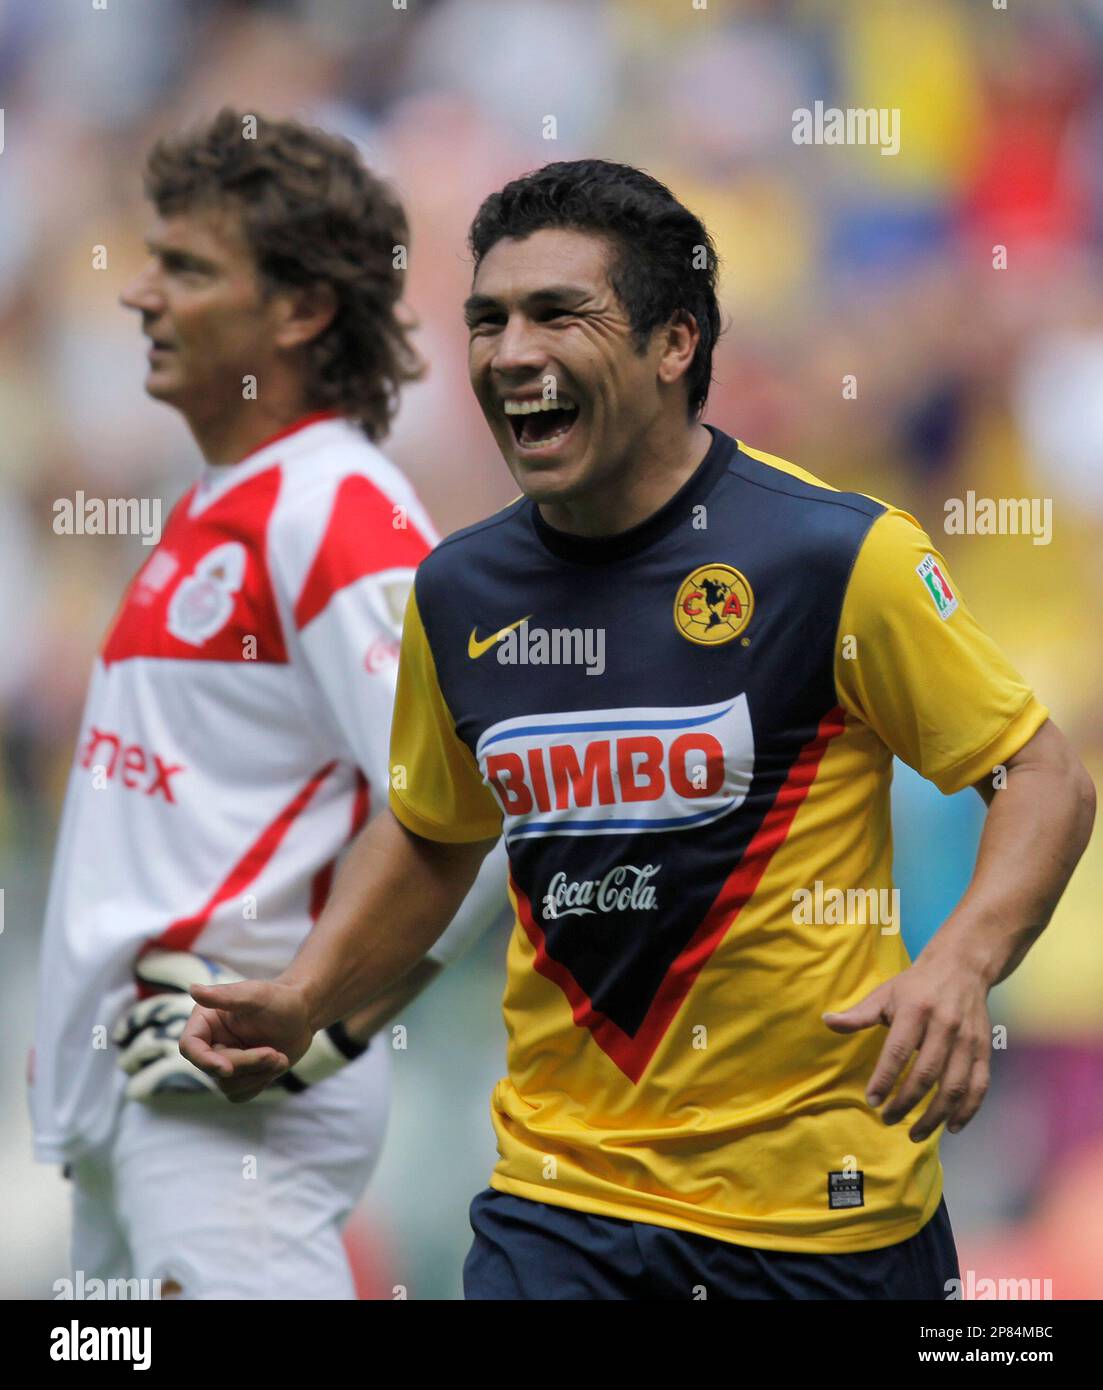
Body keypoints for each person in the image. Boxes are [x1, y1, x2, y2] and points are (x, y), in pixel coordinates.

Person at [182, 159, 1096, 1300]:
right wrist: (306, 993)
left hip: (820, 1216)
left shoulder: (833, 558)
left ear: (672, 345)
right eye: (488, 320)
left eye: (557, 312)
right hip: (559, 1205)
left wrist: (960, 960)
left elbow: (1039, 772)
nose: (510, 351)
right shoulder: (459, 592)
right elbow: (433, 833)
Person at [29, 109, 505, 1301]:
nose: (138, 294)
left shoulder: (333, 516)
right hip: (134, 1118)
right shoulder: (223, 506)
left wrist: (319, 1020)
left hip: (224, 1125)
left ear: (297, 312)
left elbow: (473, 804)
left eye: (186, 267)